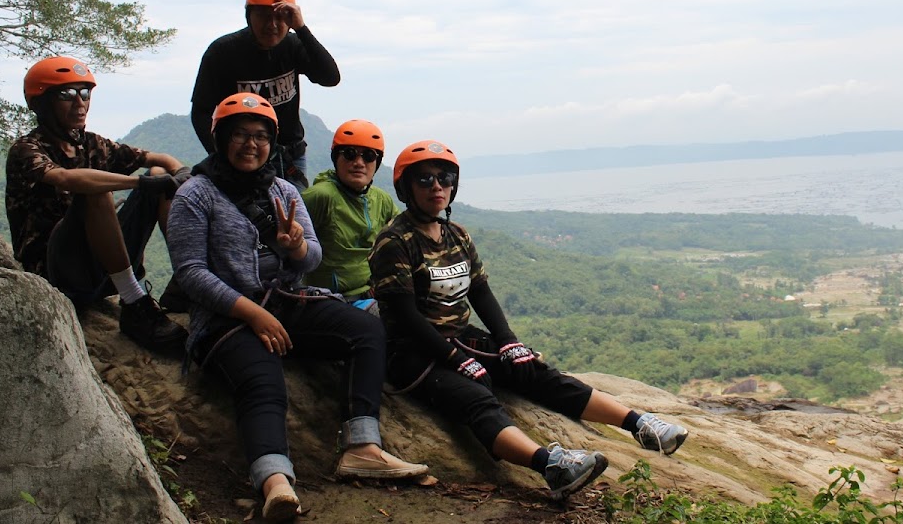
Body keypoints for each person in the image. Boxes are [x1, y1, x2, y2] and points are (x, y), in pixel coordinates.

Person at [369, 140, 691, 501]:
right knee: (476, 398)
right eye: (425, 179)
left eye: (444, 178)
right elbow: (405, 315)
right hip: (414, 352)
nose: (437, 186)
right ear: (406, 188)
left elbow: (480, 292)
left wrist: (508, 341)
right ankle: (550, 466)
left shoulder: (456, 234)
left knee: (532, 371)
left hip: (459, 336)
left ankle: (640, 424)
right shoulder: (395, 241)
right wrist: (456, 360)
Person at [167, 93, 426, 522]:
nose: (251, 144)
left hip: (285, 302)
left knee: (367, 331)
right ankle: (275, 483)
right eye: (240, 135)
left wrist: (296, 246)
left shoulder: (283, 190)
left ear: (272, 142)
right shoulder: (196, 195)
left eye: (261, 136)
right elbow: (191, 272)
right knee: (263, 379)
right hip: (226, 318)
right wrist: (252, 314)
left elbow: (312, 258)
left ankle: (362, 447)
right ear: (220, 139)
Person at [5, 55, 190, 352]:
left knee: (159, 175)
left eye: (85, 93)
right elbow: (65, 177)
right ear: (42, 103)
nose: (79, 103)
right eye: (66, 95)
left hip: (101, 268)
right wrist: (138, 183)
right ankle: (134, 303)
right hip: (58, 272)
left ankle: (186, 279)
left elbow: (158, 159)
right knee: (96, 190)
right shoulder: (27, 149)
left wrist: (180, 173)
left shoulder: (92, 144)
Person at [189, 0, 340, 191]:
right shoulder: (223, 52)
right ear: (249, 17)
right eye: (263, 16)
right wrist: (219, 156)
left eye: (281, 17)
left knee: (294, 212)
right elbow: (201, 111)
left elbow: (330, 77)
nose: (272, 25)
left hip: (289, 156)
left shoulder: (292, 46)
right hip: (243, 156)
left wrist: (302, 29)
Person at [300, 119, 397, 311]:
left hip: (370, 295)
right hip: (329, 301)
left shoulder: (381, 199)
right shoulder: (321, 196)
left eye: (369, 156)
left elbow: (405, 234)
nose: (359, 163)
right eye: (350, 154)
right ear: (336, 158)